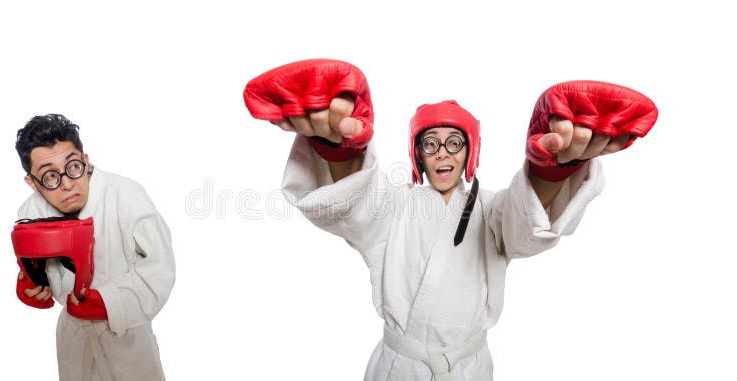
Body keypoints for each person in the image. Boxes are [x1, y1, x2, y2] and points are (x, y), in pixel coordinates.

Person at [243, 59, 657, 380]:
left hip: (469, 369)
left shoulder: (493, 211)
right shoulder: (393, 207)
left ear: (469, 153)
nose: (443, 153)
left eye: (454, 142)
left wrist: (555, 169)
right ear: (417, 154)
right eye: (432, 143)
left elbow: (526, 222)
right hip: (399, 368)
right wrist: (336, 147)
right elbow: (352, 205)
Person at [13, 114, 176, 381]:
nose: (67, 184)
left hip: (127, 338)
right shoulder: (31, 212)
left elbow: (160, 269)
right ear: (32, 182)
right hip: (73, 340)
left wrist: (109, 302)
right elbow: (39, 270)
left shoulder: (127, 195)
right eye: (50, 176)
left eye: (74, 167)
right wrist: (35, 284)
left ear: (85, 160)